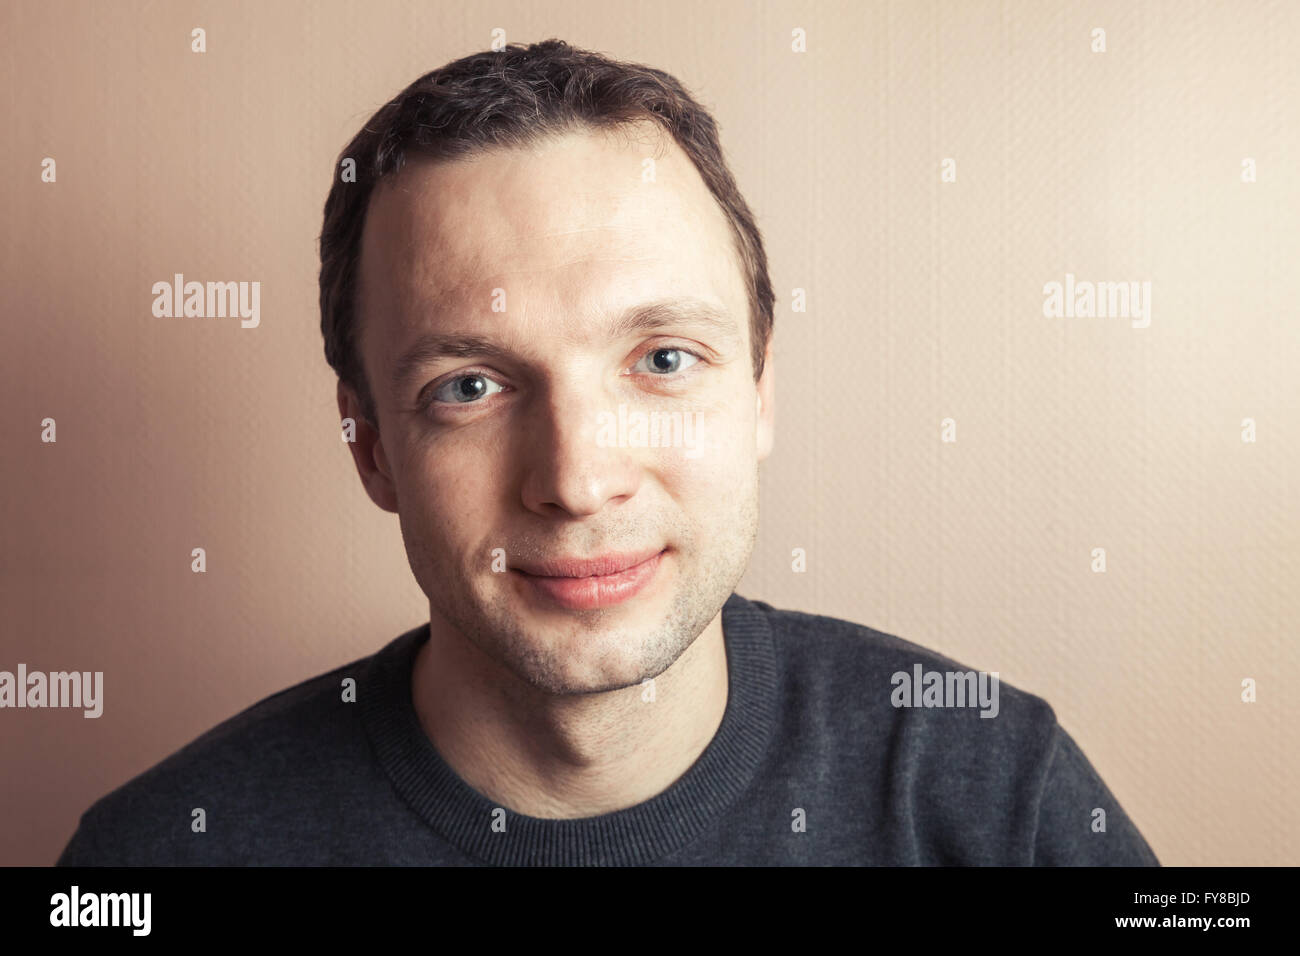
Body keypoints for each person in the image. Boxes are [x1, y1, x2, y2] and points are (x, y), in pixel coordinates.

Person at [57, 39, 1157, 866]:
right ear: (371, 446)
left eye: (664, 359)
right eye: (470, 386)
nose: (579, 479)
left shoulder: (990, 797)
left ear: (760, 388)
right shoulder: (159, 856)